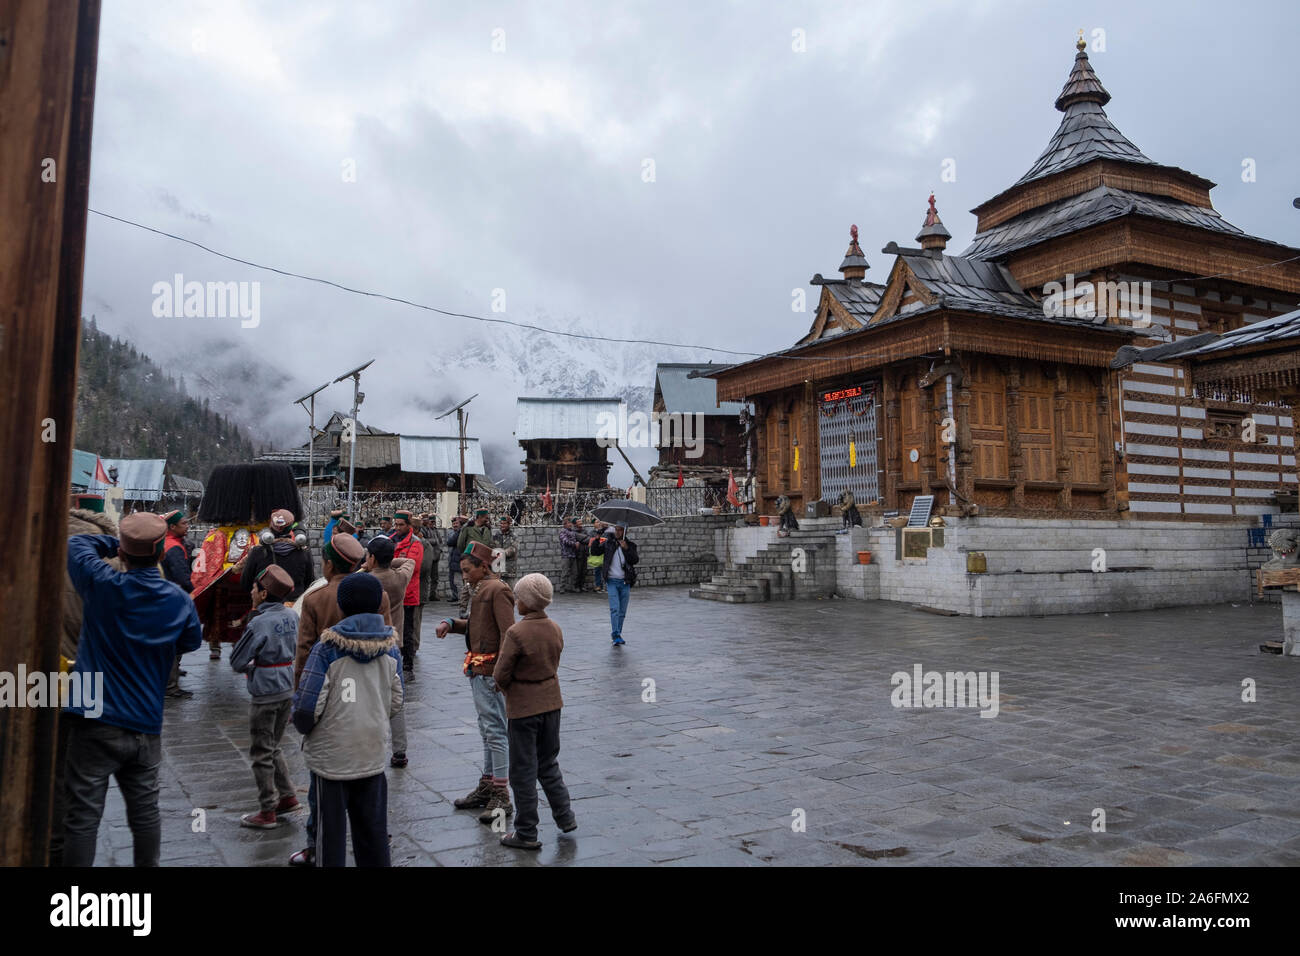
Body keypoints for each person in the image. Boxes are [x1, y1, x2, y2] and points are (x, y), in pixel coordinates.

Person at [62, 513, 204, 866]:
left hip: (92, 716)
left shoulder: (102, 583)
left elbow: (76, 544)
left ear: (123, 554)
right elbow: (191, 640)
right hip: (145, 720)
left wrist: (120, 540)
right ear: (160, 555)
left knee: (82, 817)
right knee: (144, 814)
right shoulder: (178, 601)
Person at [290, 532, 391, 867]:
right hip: (372, 737)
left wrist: (302, 714)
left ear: (329, 563)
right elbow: (395, 696)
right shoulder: (380, 603)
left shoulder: (317, 602)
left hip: (330, 737)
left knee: (328, 822)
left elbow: (305, 661)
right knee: (372, 823)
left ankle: (315, 849)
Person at [493, 573, 576, 850]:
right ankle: (565, 817)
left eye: (518, 598)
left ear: (526, 603)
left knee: (522, 771)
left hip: (524, 707)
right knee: (548, 763)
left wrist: (505, 688)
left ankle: (526, 831)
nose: (516, 602)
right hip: (552, 702)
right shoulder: (554, 627)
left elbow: (501, 673)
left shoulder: (516, 633)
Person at [435, 541, 516, 824]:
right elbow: (477, 625)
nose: (464, 576)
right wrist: (451, 623)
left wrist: (502, 675)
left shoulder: (498, 590)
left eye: (468, 571)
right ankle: (488, 783)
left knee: (495, 731)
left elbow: (508, 634)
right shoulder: (482, 588)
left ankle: (501, 794)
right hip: (479, 669)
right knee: (487, 730)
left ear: (484, 566)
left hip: (490, 672)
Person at [230, 564, 301, 829]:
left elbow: (238, 661)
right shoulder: (292, 616)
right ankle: (288, 796)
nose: (251, 590)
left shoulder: (259, 622)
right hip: (286, 688)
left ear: (262, 594)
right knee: (274, 744)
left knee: (261, 750)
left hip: (265, 691)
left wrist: (251, 667)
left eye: (254, 587)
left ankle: (267, 808)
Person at [363, 536, 416, 767]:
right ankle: (400, 751)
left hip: (368, 641)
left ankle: (367, 746)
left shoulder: (365, 581)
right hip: (393, 643)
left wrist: (367, 566)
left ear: (372, 557)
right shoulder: (399, 578)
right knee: (397, 699)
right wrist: (389, 560)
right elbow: (409, 562)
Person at [241, 508, 316, 602]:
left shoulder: (257, 552)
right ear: (291, 528)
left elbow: (246, 583)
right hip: (294, 607)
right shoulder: (304, 553)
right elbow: (309, 582)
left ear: (270, 527)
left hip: (264, 606)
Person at [159, 509, 195, 700]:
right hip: (173, 601)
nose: (187, 526)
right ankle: (170, 686)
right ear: (172, 527)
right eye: (184, 524)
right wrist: (196, 589)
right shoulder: (174, 547)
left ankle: (171, 676)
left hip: (165, 598)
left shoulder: (166, 543)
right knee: (173, 643)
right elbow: (182, 577)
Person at [391, 510, 425, 674]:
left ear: (408, 525)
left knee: (407, 630)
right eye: (396, 524)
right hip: (392, 593)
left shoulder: (415, 543)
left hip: (408, 593)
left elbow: (413, 566)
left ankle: (408, 661)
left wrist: (387, 562)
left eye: (401, 525)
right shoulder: (390, 540)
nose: (397, 528)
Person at [603, 522, 639, 646]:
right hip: (612, 581)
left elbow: (635, 560)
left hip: (625, 582)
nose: (617, 532)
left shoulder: (630, 545)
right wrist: (597, 537)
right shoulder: (609, 543)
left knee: (622, 611)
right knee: (615, 609)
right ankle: (615, 634)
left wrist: (626, 549)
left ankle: (618, 633)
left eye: (620, 530)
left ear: (625, 532)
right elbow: (596, 551)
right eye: (616, 530)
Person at [456, 509, 494, 616]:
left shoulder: (487, 529)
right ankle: (462, 609)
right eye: (485, 517)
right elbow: (460, 544)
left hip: (483, 563)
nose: (487, 519)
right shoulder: (468, 528)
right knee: (468, 586)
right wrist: (468, 556)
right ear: (479, 517)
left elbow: (489, 544)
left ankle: (479, 609)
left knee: (481, 586)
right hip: (471, 561)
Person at [493, 515, 519, 585]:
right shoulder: (496, 536)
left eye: (504, 523)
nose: (502, 525)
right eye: (501, 523)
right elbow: (492, 548)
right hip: (498, 570)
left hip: (509, 571)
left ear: (509, 524)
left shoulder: (513, 536)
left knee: (511, 591)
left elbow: (513, 550)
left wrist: (500, 553)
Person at [444, 516, 465, 603]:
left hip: (458, 560)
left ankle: (461, 600)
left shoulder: (460, 533)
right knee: (453, 580)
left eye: (457, 523)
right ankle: (456, 596)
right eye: (454, 524)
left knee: (458, 582)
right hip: (452, 559)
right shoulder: (451, 532)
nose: (455, 525)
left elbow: (450, 542)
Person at [557, 519, 578, 593]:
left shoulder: (572, 532)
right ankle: (562, 588)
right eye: (568, 523)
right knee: (565, 572)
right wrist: (574, 544)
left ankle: (572, 587)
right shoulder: (562, 531)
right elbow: (565, 541)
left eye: (570, 523)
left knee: (574, 572)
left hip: (573, 555)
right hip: (566, 555)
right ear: (565, 524)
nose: (570, 524)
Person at [571, 519, 589, 592]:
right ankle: (576, 586)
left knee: (584, 570)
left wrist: (582, 539)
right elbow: (585, 539)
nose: (581, 523)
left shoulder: (584, 530)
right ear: (575, 524)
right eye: (579, 522)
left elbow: (588, 539)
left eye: (581, 521)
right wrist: (584, 538)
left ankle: (582, 585)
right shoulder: (573, 532)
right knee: (578, 570)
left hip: (585, 552)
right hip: (578, 553)